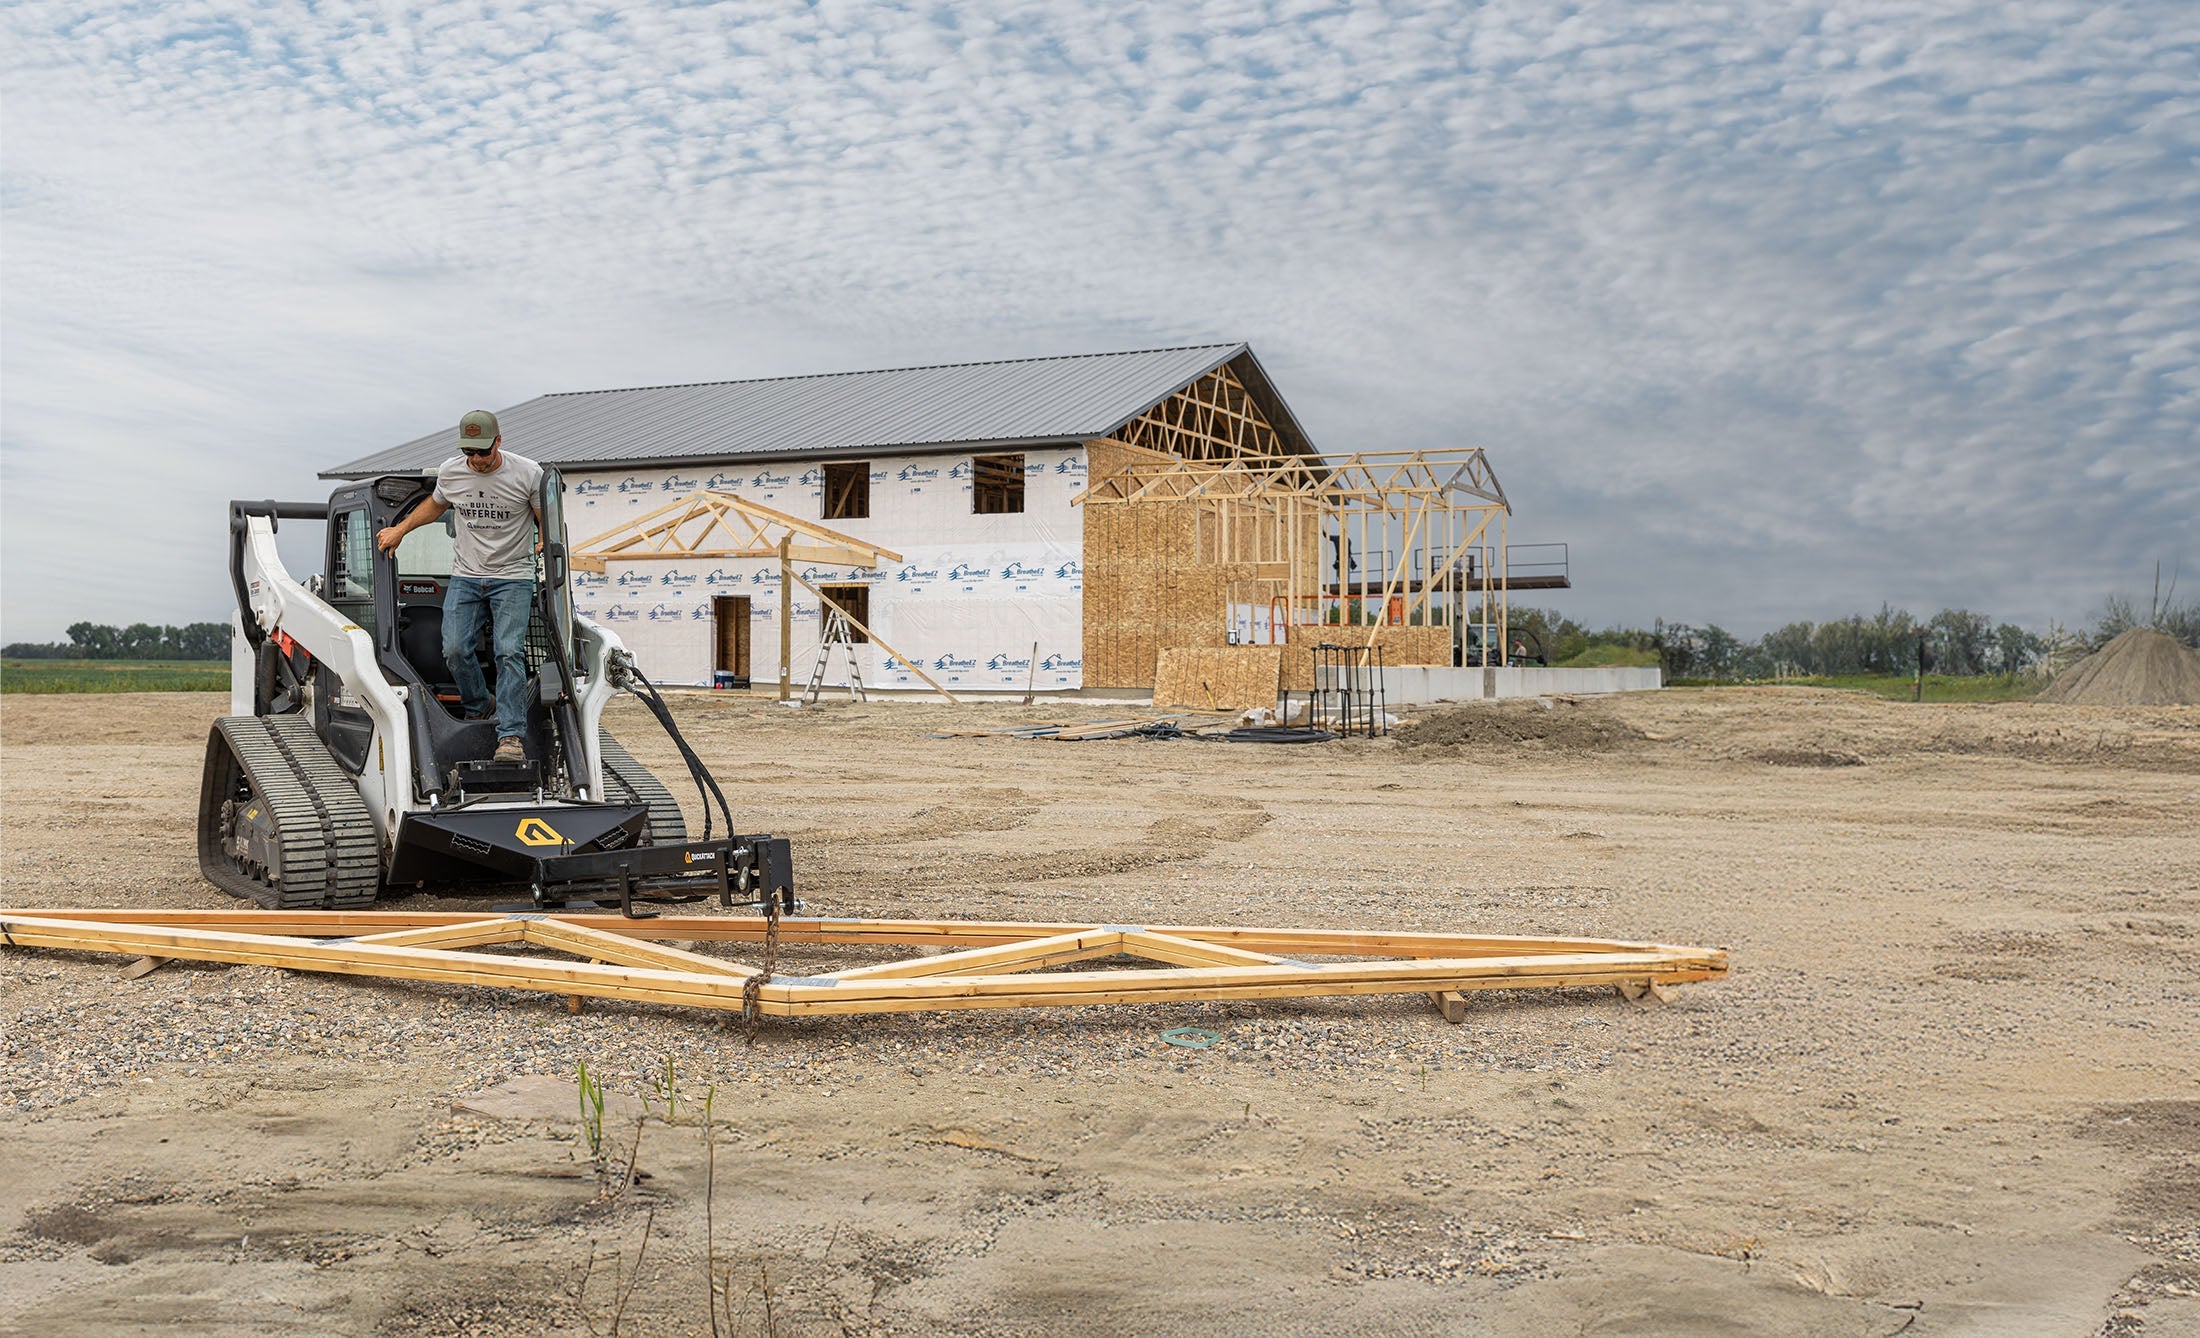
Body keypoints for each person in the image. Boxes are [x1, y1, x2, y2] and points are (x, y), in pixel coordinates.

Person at [376, 410, 543, 762]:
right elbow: (435, 507)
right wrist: (400, 531)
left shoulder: (527, 473)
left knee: (508, 651)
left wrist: (546, 538)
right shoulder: (452, 471)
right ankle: (480, 704)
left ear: (498, 441)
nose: (477, 460)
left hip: (512, 576)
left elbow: (546, 517)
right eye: (470, 453)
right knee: (453, 648)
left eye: (483, 452)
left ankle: (510, 736)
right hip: (466, 574)